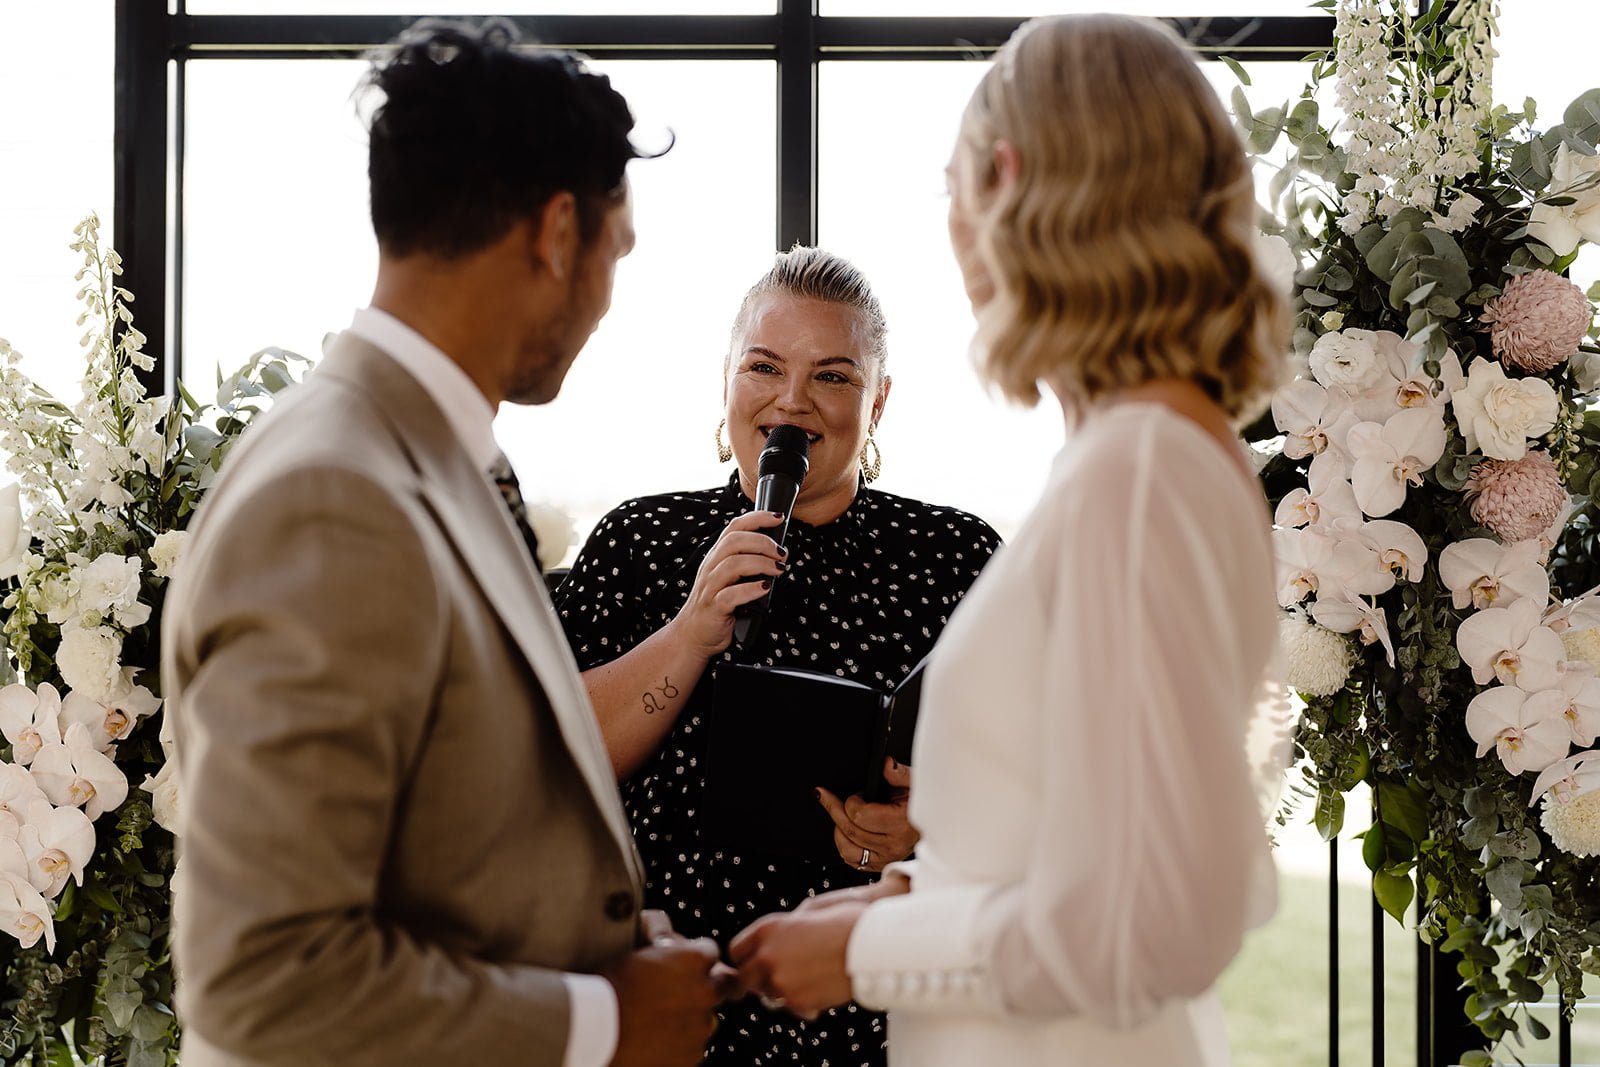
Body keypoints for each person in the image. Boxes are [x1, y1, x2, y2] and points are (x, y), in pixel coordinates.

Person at [162, 19, 728, 1067]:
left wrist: (599, 946)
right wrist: (600, 1024)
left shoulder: (424, 459)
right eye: (616, 251)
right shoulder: (334, 498)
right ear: (557, 235)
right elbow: (265, 977)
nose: (607, 298)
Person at [728, 14, 1290, 1066]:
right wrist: (909, 888)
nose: (951, 224)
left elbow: (1167, 915)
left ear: (1007, 179)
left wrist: (874, 943)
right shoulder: (1140, 457)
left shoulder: (1138, 475)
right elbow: (1132, 844)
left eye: (951, 184)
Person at [554, 246, 1002, 1066]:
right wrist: (691, 631)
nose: (792, 402)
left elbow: (1035, 783)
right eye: (763, 366)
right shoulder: (639, 539)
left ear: (879, 401)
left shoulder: (957, 558)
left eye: (833, 376)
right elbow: (555, 762)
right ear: (726, 377)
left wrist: (923, 831)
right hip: (668, 1005)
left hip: (875, 1012)